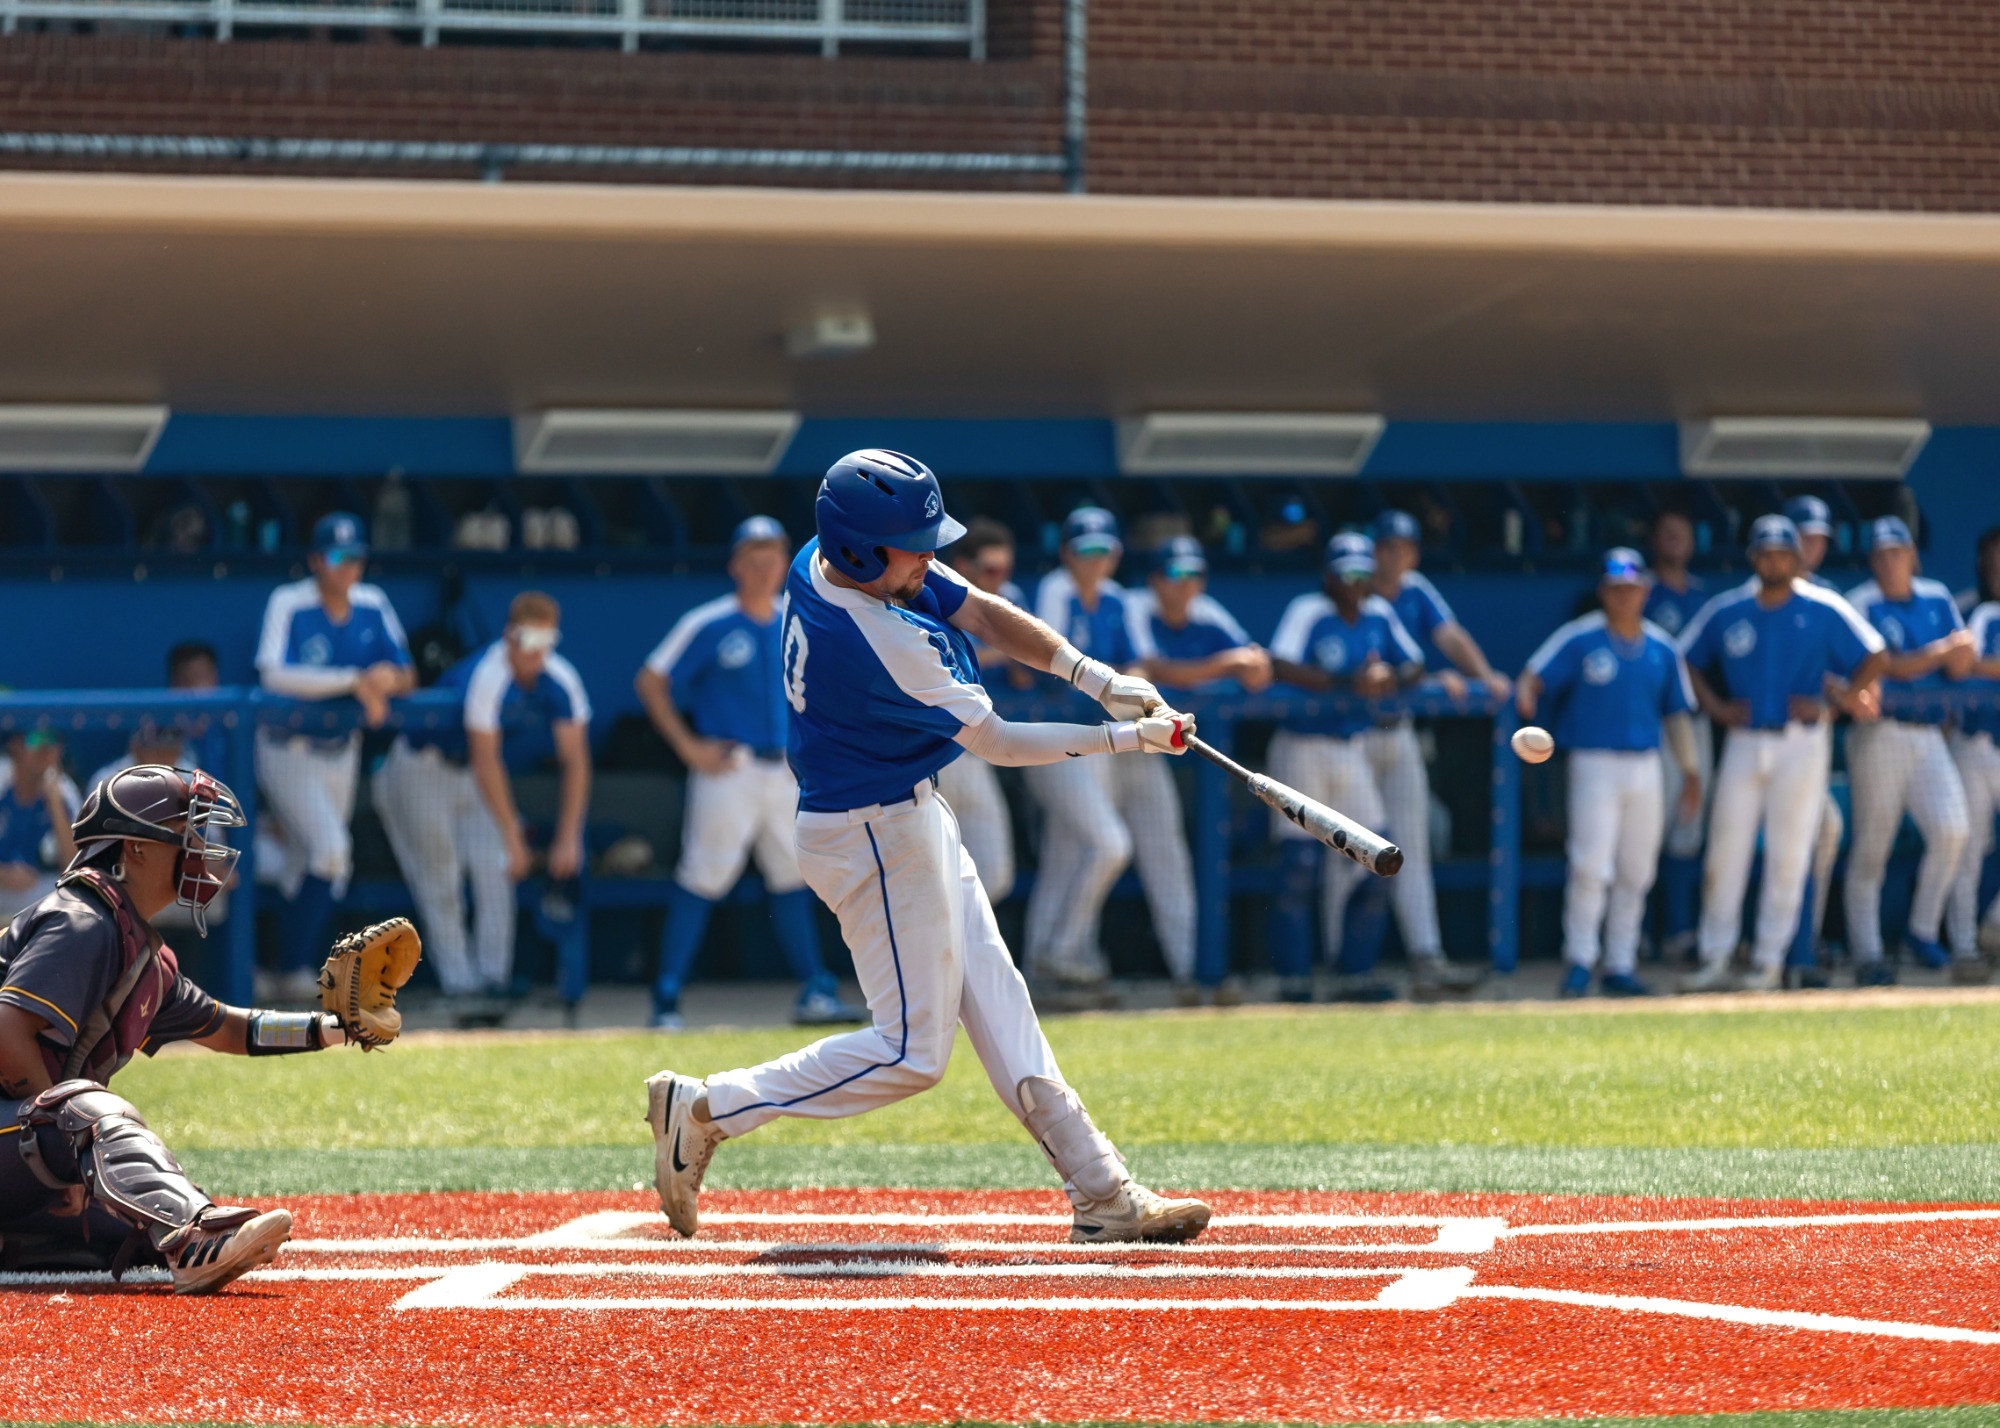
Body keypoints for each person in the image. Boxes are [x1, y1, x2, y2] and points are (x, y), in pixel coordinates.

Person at [644, 449, 1209, 1246]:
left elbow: (977, 608)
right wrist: (1127, 737)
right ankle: (704, 1108)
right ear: (865, 550)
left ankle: (1101, 1190)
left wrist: (1092, 674)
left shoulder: (828, 560)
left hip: (907, 816)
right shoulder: (879, 638)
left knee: (1001, 1000)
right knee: (912, 1053)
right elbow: (1002, 742)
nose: (930, 558)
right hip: (868, 836)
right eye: (915, 546)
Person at [0, 765, 373, 1293]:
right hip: (23, 1129)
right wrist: (55, 1131)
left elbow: (230, 1029)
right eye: (187, 833)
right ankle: (194, 1236)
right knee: (89, 1110)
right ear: (135, 849)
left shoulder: (142, 955)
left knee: (128, 1217)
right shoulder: (82, 920)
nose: (201, 848)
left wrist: (339, 1027)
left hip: (16, 1146)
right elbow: (6, 1036)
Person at [637, 517, 860, 1032]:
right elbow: (650, 680)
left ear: (785, 563)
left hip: (785, 769)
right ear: (736, 565)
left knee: (793, 873)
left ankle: (816, 991)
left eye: (772, 558)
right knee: (703, 874)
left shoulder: (798, 617)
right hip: (728, 768)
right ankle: (667, 997)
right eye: (753, 559)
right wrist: (688, 746)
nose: (764, 569)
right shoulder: (709, 621)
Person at [1677, 516, 1888, 992]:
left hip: (1802, 740)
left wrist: (1835, 701)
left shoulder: (1822, 607)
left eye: (1783, 554)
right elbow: (1685, 658)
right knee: (1725, 849)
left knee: (1789, 854)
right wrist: (1715, 707)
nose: (1774, 561)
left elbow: (1875, 654)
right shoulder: (1728, 609)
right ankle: (1715, 956)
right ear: (1753, 558)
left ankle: (1768, 962)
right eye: (1766, 553)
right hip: (1745, 739)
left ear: (1797, 559)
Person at [374, 591, 592, 1021]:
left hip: (470, 778)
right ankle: (462, 987)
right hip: (422, 767)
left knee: (496, 869)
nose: (534, 654)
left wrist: (570, 836)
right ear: (510, 637)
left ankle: (493, 983)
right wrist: (514, 835)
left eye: (544, 643)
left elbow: (576, 759)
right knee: (442, 874)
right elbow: (485, 757)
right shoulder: (490, 672)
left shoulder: (560, 678)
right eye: (527, 642)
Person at [1023, 507, 1189, 1006]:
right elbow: (1053, 658)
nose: (1095, 561)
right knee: (1109, 844)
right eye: (1085, 551)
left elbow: (1139, 661)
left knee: (1066, 856)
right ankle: (1061, 952)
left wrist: (1134, 688)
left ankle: (1041, 969)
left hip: (1101, 738)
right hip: (1049, 736)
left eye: (1104, 551)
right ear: (1067, 553)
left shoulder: (1120, 599)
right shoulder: (1055, 589)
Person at [1517, 549, 1701, 998]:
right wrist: (1525, 698)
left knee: (1637, 869)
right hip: (1593, 762)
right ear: (1603, 592)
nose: (1624, 597)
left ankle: (1620, 962)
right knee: (1590, 865)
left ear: (1645, 591)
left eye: (1632, 589)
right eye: (1616, 589)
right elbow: (1533, 675)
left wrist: (1692, 772)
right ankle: (1580, 959)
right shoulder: (1580, 639)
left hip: (1645, 765)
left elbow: (1678, 714)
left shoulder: (1661, 647)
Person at [254, 512, 413, 1001]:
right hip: (287, 748)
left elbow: (406, 673)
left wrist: (385, 679)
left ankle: (272, 966)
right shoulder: (290, 602)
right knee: (330, 851)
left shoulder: (373, 602)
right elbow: (272, 674)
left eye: (356, 557)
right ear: (316, 561)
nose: (348, 567)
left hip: (341, 749)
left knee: (317, 863)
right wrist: (353, 681)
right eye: (338, 557)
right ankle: (294, 966)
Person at [1266, 533, 1427, 1002]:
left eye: (1362, 574)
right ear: (1329, 577)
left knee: (1376, 859)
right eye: (1346, 575)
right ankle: (1293, 977)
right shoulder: (1308, 610)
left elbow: (1415, 664)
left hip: (1349, 747)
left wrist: (1388, 677)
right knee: (1299, 865)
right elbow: (1281, 664)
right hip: (1301, 746)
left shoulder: (1379, 613)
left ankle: (1353, 972)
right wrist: (1345, 683)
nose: (1355, 584)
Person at [1339, 511, 1490, 996]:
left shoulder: (1417, 589)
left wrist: (1484, 677)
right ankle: (1339, 964)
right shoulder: (1350, 587)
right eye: (1387, 548)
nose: (1393, 557)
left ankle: (1427, 955)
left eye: (1403, 549)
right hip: (1350, 738)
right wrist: (1428, 678)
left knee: (1412, 846)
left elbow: (1447, 638)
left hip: (1399, 732)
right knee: (1347, 847)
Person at [1122, 534, 1270, 1002]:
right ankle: (1067, 965)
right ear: (1154, 580)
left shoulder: (1206, 612)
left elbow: (1259, 669)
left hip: (1152, 755)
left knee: (1169, 858)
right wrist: (1224, 664)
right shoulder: (1133, 606)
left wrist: (1220, 666)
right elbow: (1146, 671)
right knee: (1092, 848)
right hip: (1105, 740)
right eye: (1175, 576)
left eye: (1193, 576)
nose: (1186, 586)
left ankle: (1193, 972)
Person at [1842, 516, 1974, 984]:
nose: (1889, 561)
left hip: (1929, 733)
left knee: (1954, 829)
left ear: (1913, 555)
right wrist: (1940, 653)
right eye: (1880, 554)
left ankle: (1921, 930)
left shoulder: (1936, 596)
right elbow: (1888, 666)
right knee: (1872, 848)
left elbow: (1962, 663)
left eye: (1897, 552)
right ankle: (1869, 951)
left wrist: (1949, 657)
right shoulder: (1861, 602)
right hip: (1881, 733)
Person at [937, 518, 1028, 903]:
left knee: (994, 873)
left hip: (980, 753)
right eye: (991, 570)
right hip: (936, 751)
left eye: (1005, 570)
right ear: (964, 566)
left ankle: (959, 956)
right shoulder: (934, 596)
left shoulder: (1009, 599)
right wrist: (999, 654)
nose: (1000, 579)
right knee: (928, 868)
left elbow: (1025, 676)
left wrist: (1011, 656)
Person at [1782, 494, 1850, 983]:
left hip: (1814, 739)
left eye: (1818, 539)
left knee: (1823, 830)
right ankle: (1783, 945)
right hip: (1763, 739)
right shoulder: (1761, 593)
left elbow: (1862, 661)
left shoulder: (1828, 597)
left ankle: (1802, 940)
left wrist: (1846, 695)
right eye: (1804, 537)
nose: (1812, 546)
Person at [1643, 509, 1713, 964]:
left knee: (1688, 828)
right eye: (1666, 533)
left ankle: (1680, 931)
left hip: (1695, 723)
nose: (1674, 542)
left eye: (1682, 534)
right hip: (1652, 726)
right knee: (1647, 830)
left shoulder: (1705, 599)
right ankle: (1642, 933)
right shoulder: (1641, 592)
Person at [1947, 592, 2000, 976]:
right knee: (1966, 847)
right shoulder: (1986, 614)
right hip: (1975, 740)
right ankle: (1964, 946)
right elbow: (1963, 665)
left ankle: (1994, 926)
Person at [0, 733, 80, 923]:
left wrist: (54, 801)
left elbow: (75, 868)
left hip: (37, 893)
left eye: (54, 740)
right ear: (14, 744)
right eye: (36, 739)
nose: (46, 749)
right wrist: (3, 875)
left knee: (76, 897)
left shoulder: (65, 791)